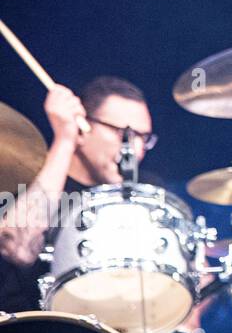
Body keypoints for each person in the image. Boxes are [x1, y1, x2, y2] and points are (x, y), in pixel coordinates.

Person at [0, 77, 157, 313]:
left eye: (143, 138)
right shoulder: (29, 181)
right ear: (83, 126)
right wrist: (65, 138)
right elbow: (18, 249)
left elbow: (190, 272)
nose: (135, 150)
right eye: (123, 134)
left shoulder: (146, 193)